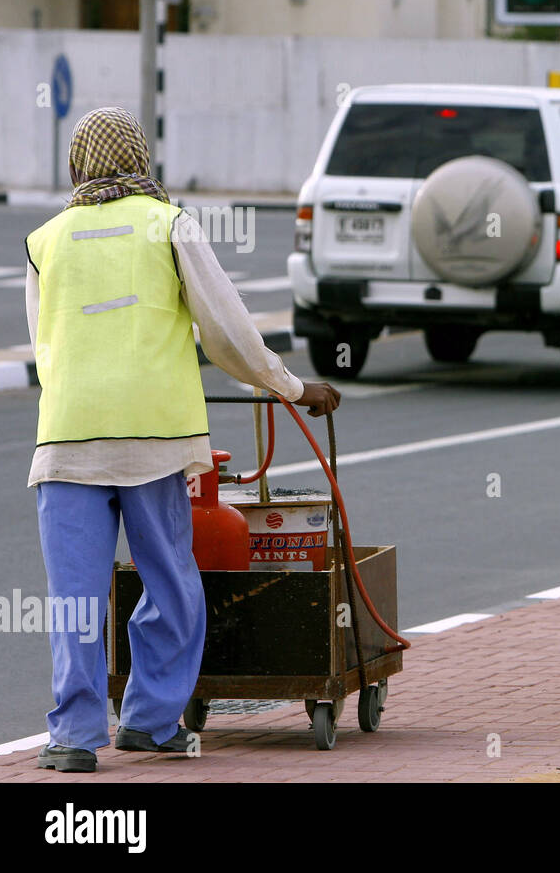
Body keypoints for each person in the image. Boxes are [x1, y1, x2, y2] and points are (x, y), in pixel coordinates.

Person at [27, 107, 341, 772]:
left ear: (77, 164)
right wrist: (292, 386)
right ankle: (151, 720)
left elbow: (44, 347)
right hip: (154, 440)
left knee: (77, 600)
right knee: (170, 581)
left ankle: (74, 738)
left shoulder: (45, 239)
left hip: (66, 443)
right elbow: (226, 331)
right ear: (141, 159)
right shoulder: (168, 224)